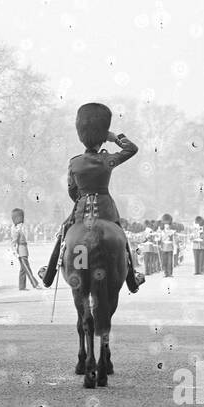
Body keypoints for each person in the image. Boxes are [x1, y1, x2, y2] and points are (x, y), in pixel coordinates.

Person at [39, 103, 144, 293]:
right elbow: (132, 149)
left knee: (63, 233)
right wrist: (115, 137)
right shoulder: (107, 159)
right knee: (120, 237)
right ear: (102, 138)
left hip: (81, 209)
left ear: (82, 135)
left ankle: (48, 275)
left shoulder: (75, 162)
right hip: (106, 209)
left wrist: (80, 202)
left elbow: (72, 190)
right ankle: (132, 280)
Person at [11, 207, 40, 289]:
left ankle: (22, 286)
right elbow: (13, 242)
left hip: (24, 249)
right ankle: (35, 284)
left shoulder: (20, 228)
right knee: (27, 268)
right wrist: (15, 252)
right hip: (20, 250)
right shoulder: (16, 229)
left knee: (23, 269)